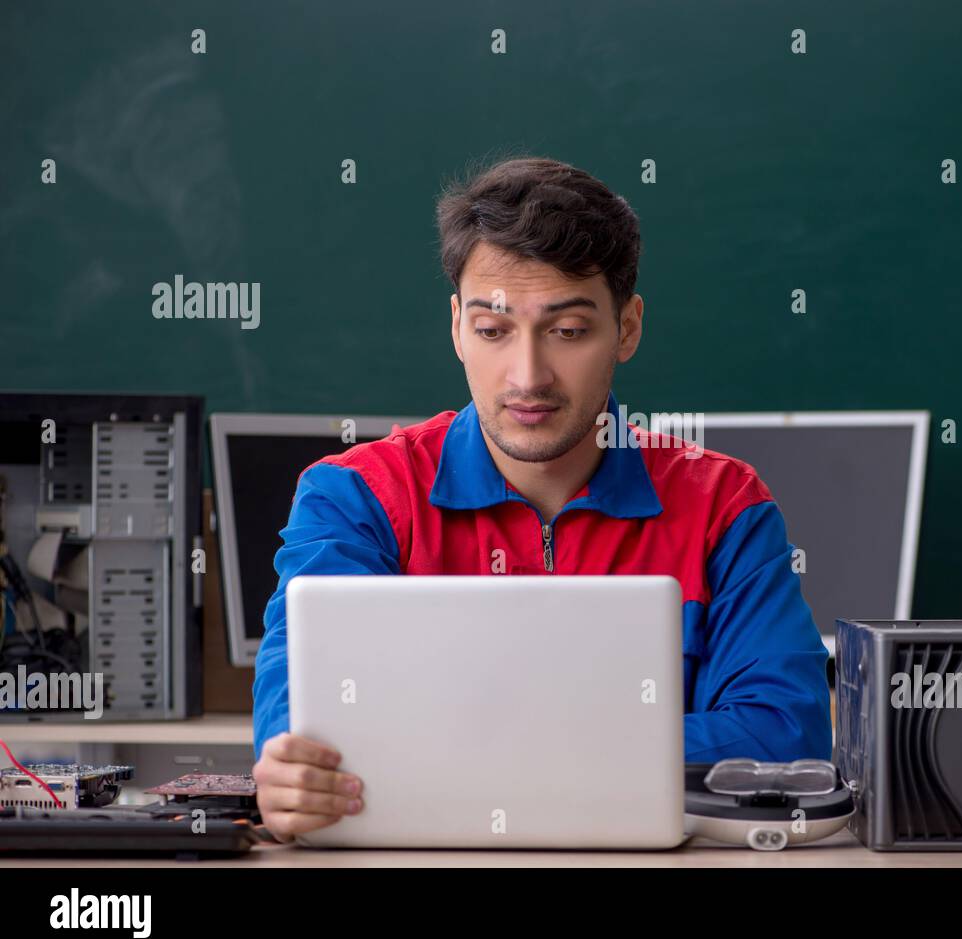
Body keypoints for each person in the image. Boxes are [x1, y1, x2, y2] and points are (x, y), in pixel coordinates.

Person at [251, 156, 831, 841]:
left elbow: (784, 739)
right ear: (457, 327)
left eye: (567, 330)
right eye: (494, 331)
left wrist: (477, 742)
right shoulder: (352, 498)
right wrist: (292, 778)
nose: (527, 376)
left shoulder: (724, 506)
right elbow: (310, 737)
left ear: (628, 328)